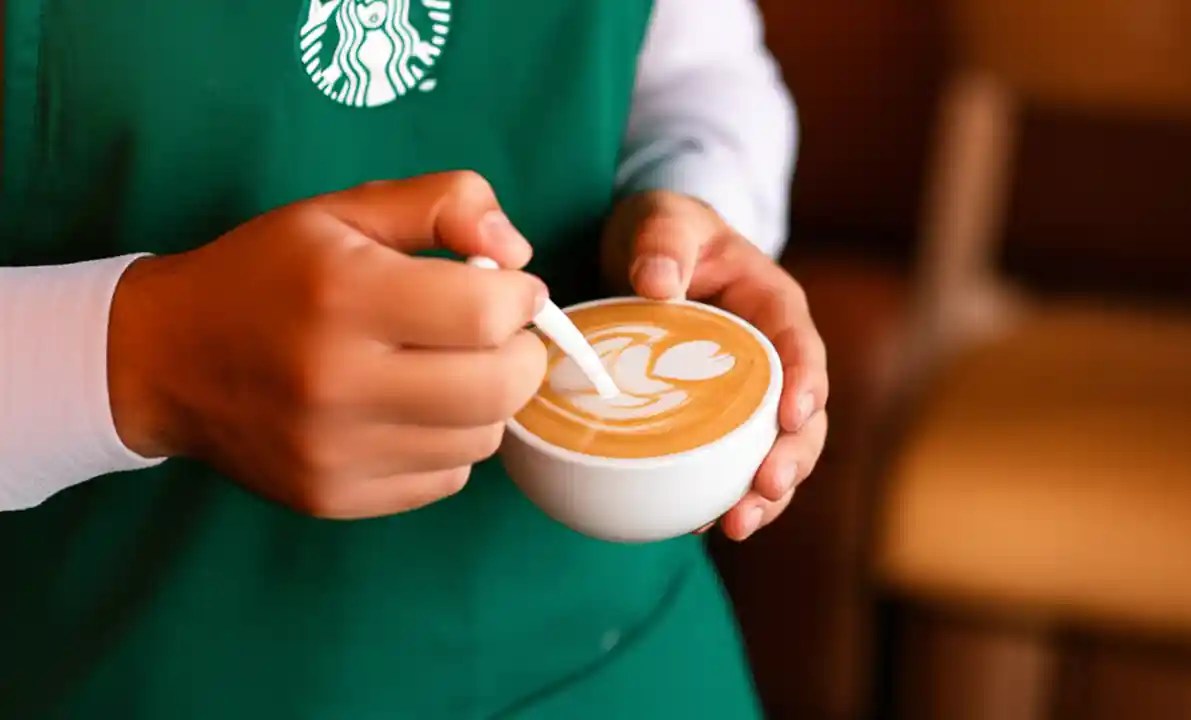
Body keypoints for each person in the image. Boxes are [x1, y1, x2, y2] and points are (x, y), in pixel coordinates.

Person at [0, 0, 828, 716]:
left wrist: (694, 209)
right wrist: (137, 359)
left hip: (610, 657)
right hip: (108, 668)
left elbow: (698, 78)